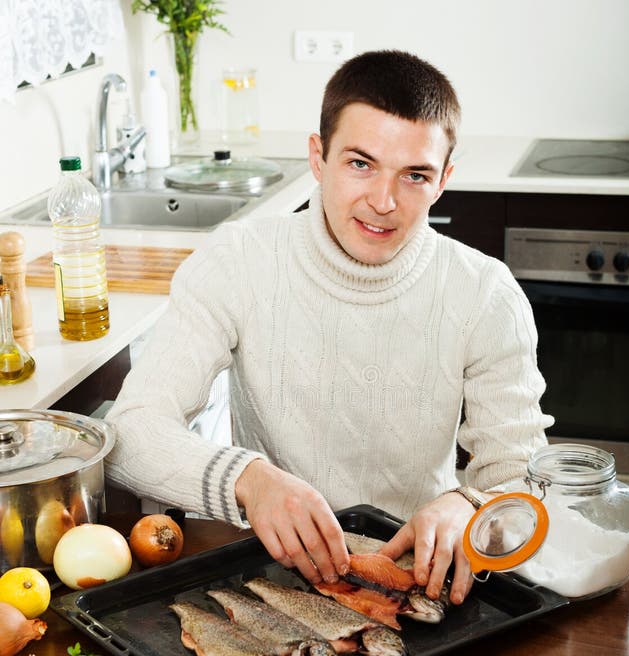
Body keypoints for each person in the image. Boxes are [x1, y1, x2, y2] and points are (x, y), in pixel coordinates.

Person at [105, 49, 552, 606]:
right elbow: (130, 434)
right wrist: (250, 480)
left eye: (414, 175)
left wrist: (471, 504)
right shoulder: (238, 261)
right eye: (360, 164)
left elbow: (526, 477)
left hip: (420, 585)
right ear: (318, 158)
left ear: (443, 181)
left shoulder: (485, 292)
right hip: (273, 578)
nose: (383, 202)